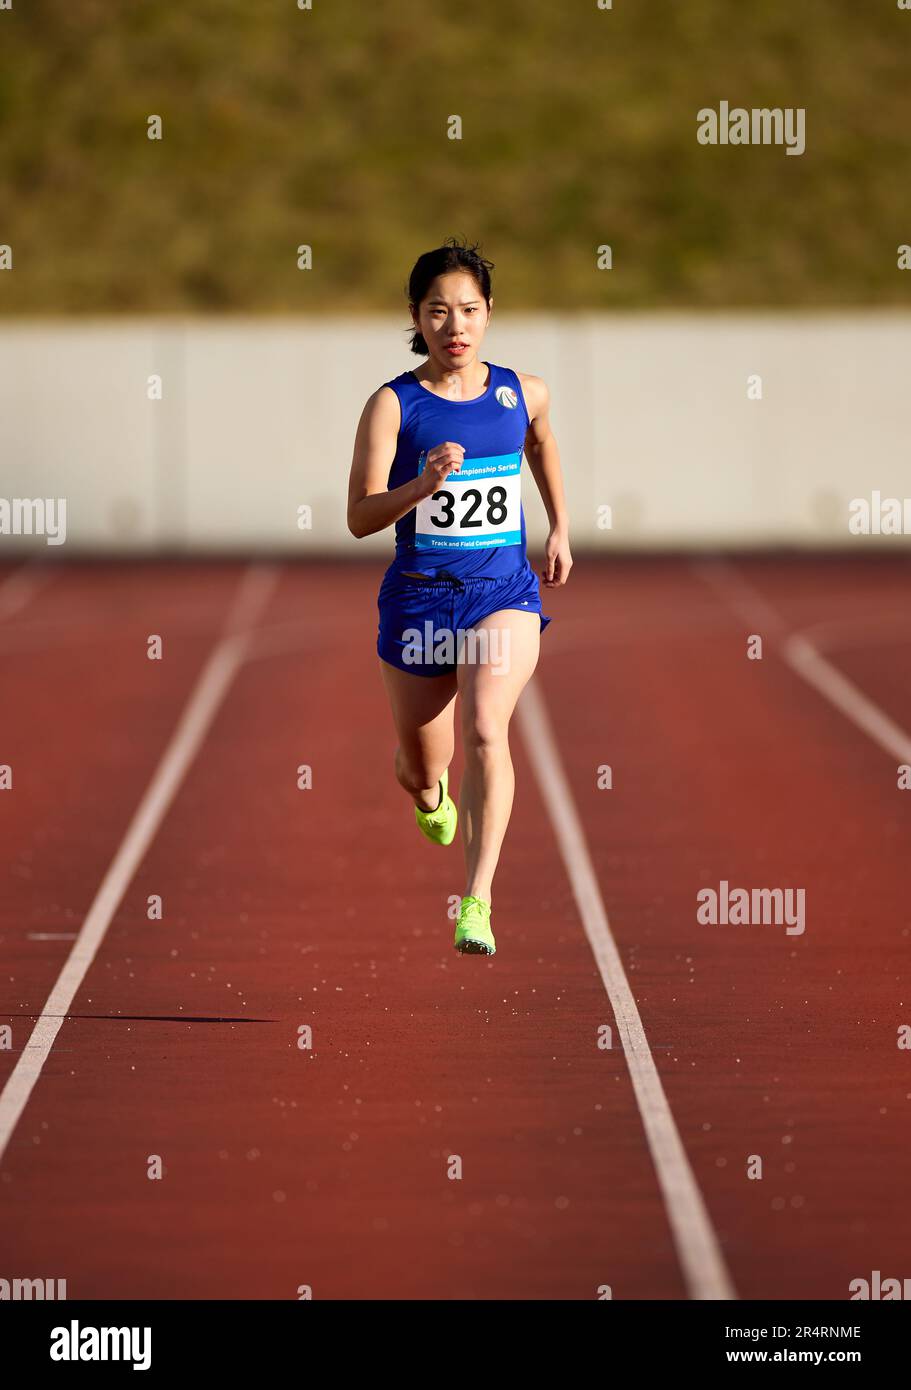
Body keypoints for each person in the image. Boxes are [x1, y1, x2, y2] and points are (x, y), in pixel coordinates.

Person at [347, 237, 572, 956]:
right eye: (438, 311)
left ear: (488, 314)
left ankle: (476, 901)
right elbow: (358, 516)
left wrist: (559, 526)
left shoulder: (521, 390)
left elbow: (540, 440)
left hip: (499, 593)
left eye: (468, 310)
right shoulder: (393, 405)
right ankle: (430, 795)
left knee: (484, 728)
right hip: (417, 604)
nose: (455, 326)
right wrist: (420, 487)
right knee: (422, 769)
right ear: (415, 315)